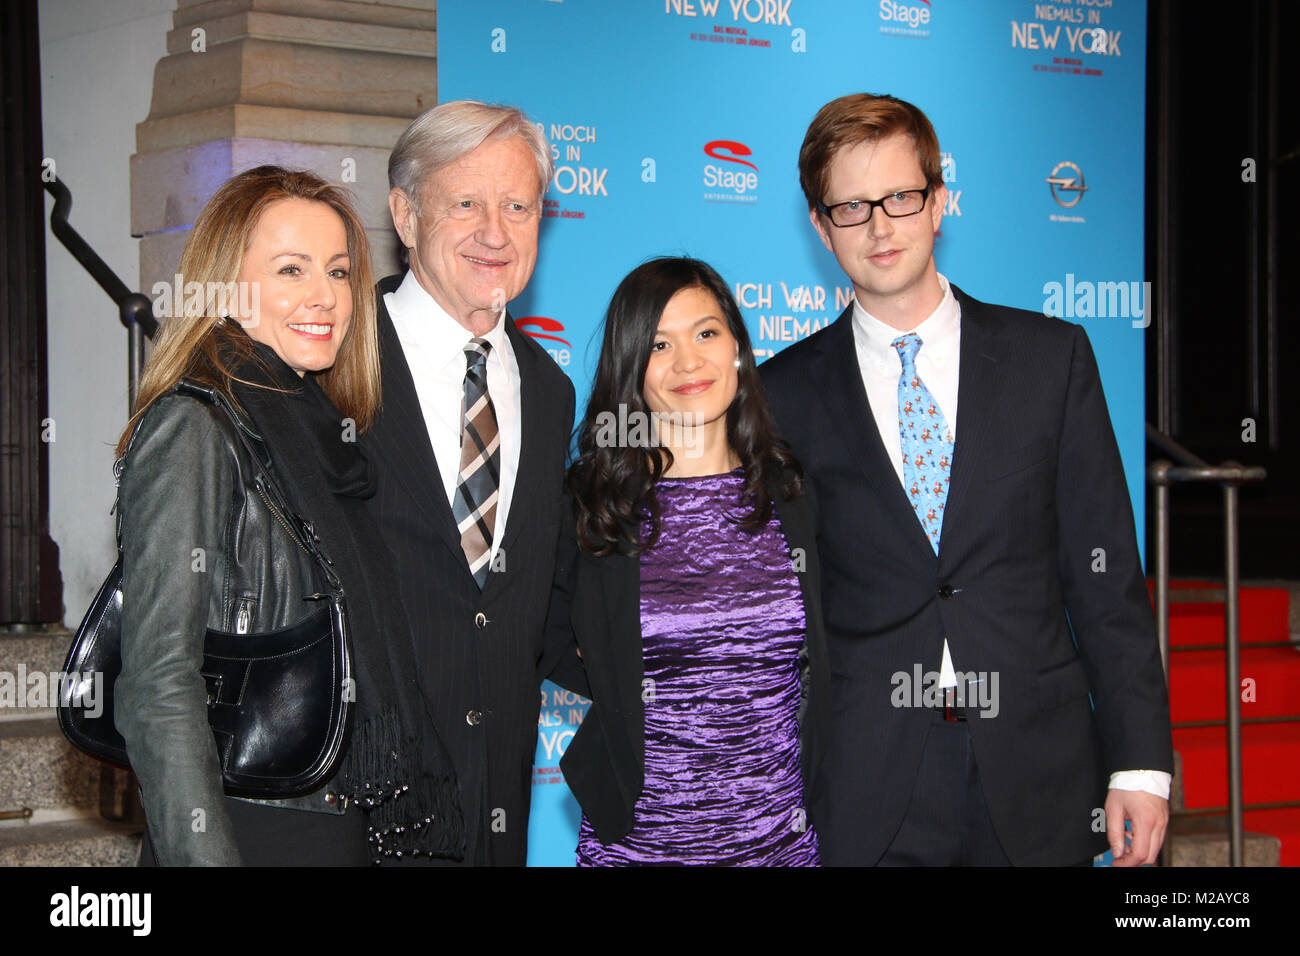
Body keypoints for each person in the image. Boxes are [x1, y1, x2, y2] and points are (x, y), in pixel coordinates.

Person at [759, 93, 1173, 866]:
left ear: (939, 202)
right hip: (864, 779)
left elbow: (1106, 579)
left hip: (1038, 769)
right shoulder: (780, 395)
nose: (880, 226)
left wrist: (1140, 763)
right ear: (820, 227)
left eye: (900, 197)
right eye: (850, 207)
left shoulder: (1050, 360)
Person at [114, 165, 463, 866]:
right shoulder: (196, 427)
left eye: (338, 272)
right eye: (290, 270)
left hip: (339, 824)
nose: (324, 296)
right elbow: (157, 682)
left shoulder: (325, 439)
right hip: (249, 826)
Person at [542, 257, 830, 866]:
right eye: (658, 344)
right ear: (631, 370)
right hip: (638, 848)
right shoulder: (591, 506)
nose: (688, 362)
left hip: (779, 845)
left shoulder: (795, 495)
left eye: (706, 333)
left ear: (738, 349)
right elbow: (543, 636)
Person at [363, 101, 575, 865]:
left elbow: (539, 606)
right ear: (406, 216)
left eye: (518, 207)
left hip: (494, 818)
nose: (496, 232)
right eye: (466, 204)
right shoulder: (336, 361)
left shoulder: (550, 393)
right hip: (352, 814)